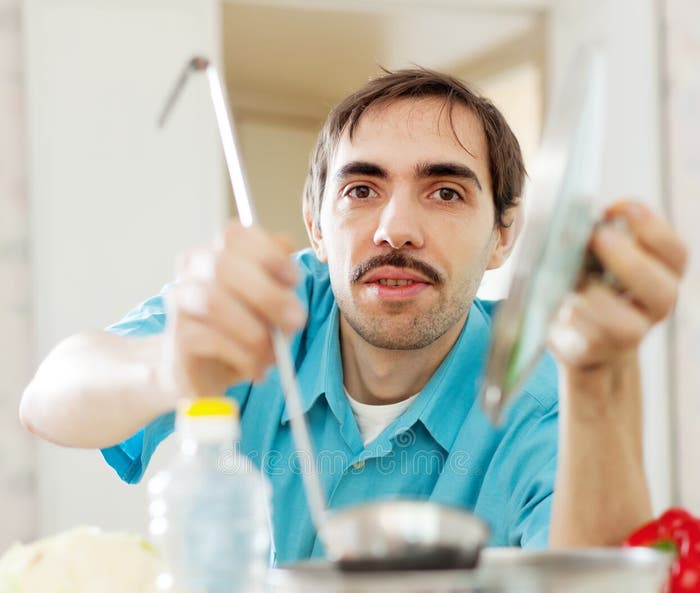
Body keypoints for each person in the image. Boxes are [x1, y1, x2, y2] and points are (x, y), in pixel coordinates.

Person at [19, 68, 687, 563]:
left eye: (446, 191)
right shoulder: (262, 315)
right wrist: (164, 368)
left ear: (504, 236)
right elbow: (46, 399)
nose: (396, 229)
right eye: (362, 189)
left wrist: (600, 379)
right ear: (315, 227)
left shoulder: (539, 397)